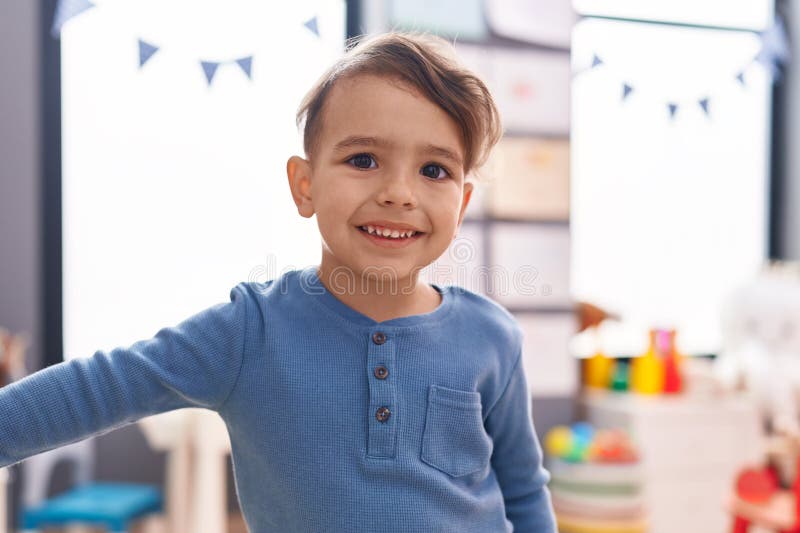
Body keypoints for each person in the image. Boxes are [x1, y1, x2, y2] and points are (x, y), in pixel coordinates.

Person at [0, 32, 557, 532]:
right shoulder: (249, 332)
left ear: (461, 203)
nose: (399, 193)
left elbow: (524, 492)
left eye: (433, 170)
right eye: (363, 159)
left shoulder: (493, 338)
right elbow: (99, 388)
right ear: (304, 185)